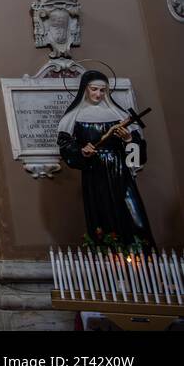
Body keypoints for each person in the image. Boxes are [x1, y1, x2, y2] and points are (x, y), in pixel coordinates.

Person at [56, 70, 154, 247]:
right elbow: (66, 146)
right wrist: (81, 151)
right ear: (84, 89)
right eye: (94, 89)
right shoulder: (74, 117)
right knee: (102, 212)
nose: (98, 94)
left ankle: (140, 255)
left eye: (103, 90)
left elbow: (136, 158)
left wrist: (128, 140)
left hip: (120, 173)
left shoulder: (118, 115)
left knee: (132, 213)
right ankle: (111, 257)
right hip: (95, 173)